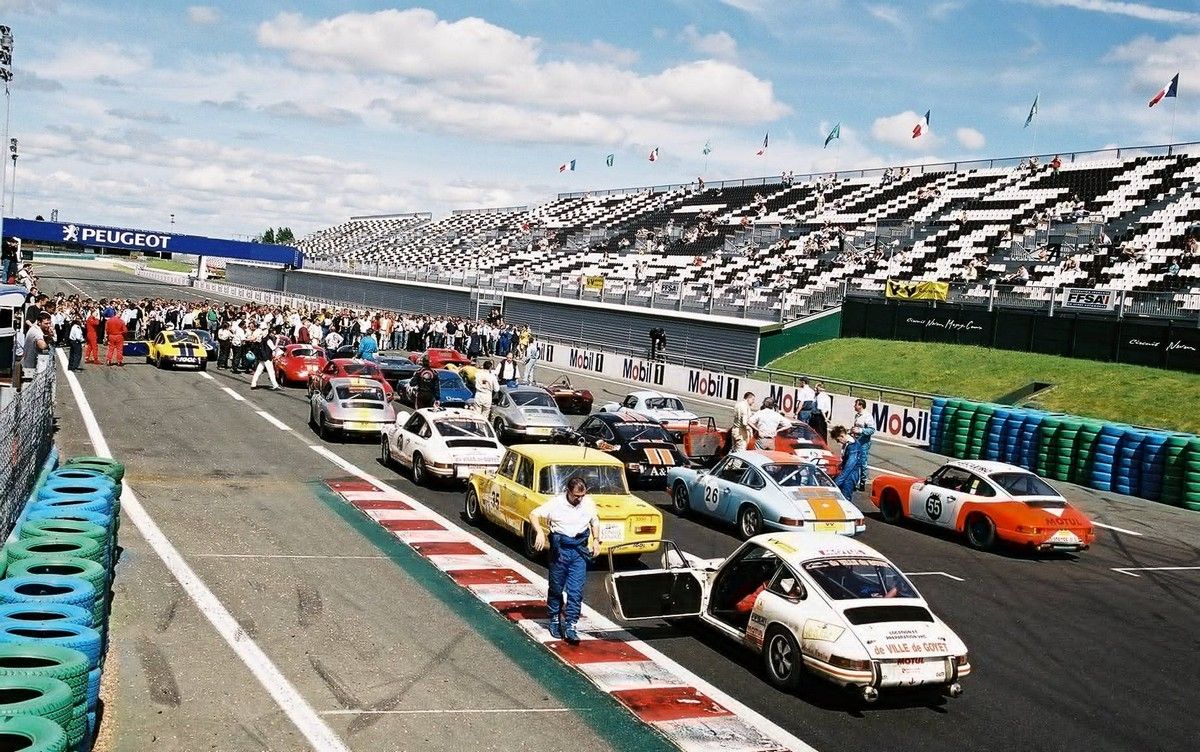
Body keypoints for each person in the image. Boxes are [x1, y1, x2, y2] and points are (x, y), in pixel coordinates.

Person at [530, 476, 600, 643]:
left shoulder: (588, 503)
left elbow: (595, 521)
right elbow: (533, 514)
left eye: (582, 495)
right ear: (568, 492)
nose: (580, 499)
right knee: (556, 587)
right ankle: (554, 618)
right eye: (576, 495)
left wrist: (596, 540)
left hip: (579, 551)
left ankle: (571, 625)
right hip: (560, 550)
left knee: (576, 591)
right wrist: (539, 532)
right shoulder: (556, 503)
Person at [851, 398, 876, 491]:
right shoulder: (857, 415)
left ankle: (862, 482)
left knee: (862, 463)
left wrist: (860, 430)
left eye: (856, 404)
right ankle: (854, 481)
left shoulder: (867, 416)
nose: (854, 406)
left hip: (863, 443)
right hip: (856, 441)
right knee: (854, 462)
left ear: (860, 406)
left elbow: (872, 430)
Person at [830, 426, 862, 500]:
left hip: (850, 476)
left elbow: (849, 467)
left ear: (842, 436)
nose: (838, 442)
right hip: (847, 475)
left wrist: (837, 482)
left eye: (838, 440)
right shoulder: (848, 444)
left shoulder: (853, 447)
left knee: (845, 499)